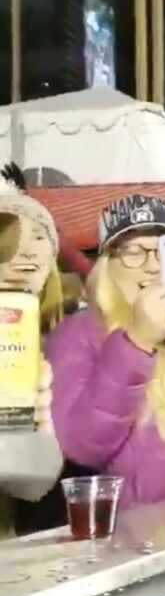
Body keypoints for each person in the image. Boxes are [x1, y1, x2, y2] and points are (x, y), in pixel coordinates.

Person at [46, 194, 165, 508]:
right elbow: (82, 445)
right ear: (107, 264)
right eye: (133, 251)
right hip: (139, 535)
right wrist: (136, 342)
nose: (151, 266)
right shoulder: (79, 334)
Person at [0, 178, 63, 537]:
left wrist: (37, 433)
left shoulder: (42, 342)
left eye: (38, 236)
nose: (27, 253)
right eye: (13, 236)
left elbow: (31, 483)